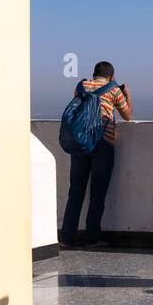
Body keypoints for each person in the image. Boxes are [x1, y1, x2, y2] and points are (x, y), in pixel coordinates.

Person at [59, 61, 132, 249]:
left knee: (75, 192)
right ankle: (91, 238)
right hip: (102, 144)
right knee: (97, 193)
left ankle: (67, 237)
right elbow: (127, 115)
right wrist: (127, 96)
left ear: (94, 74)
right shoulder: (114, 89)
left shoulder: (81, 86)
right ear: (111, 76)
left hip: (80, 144)